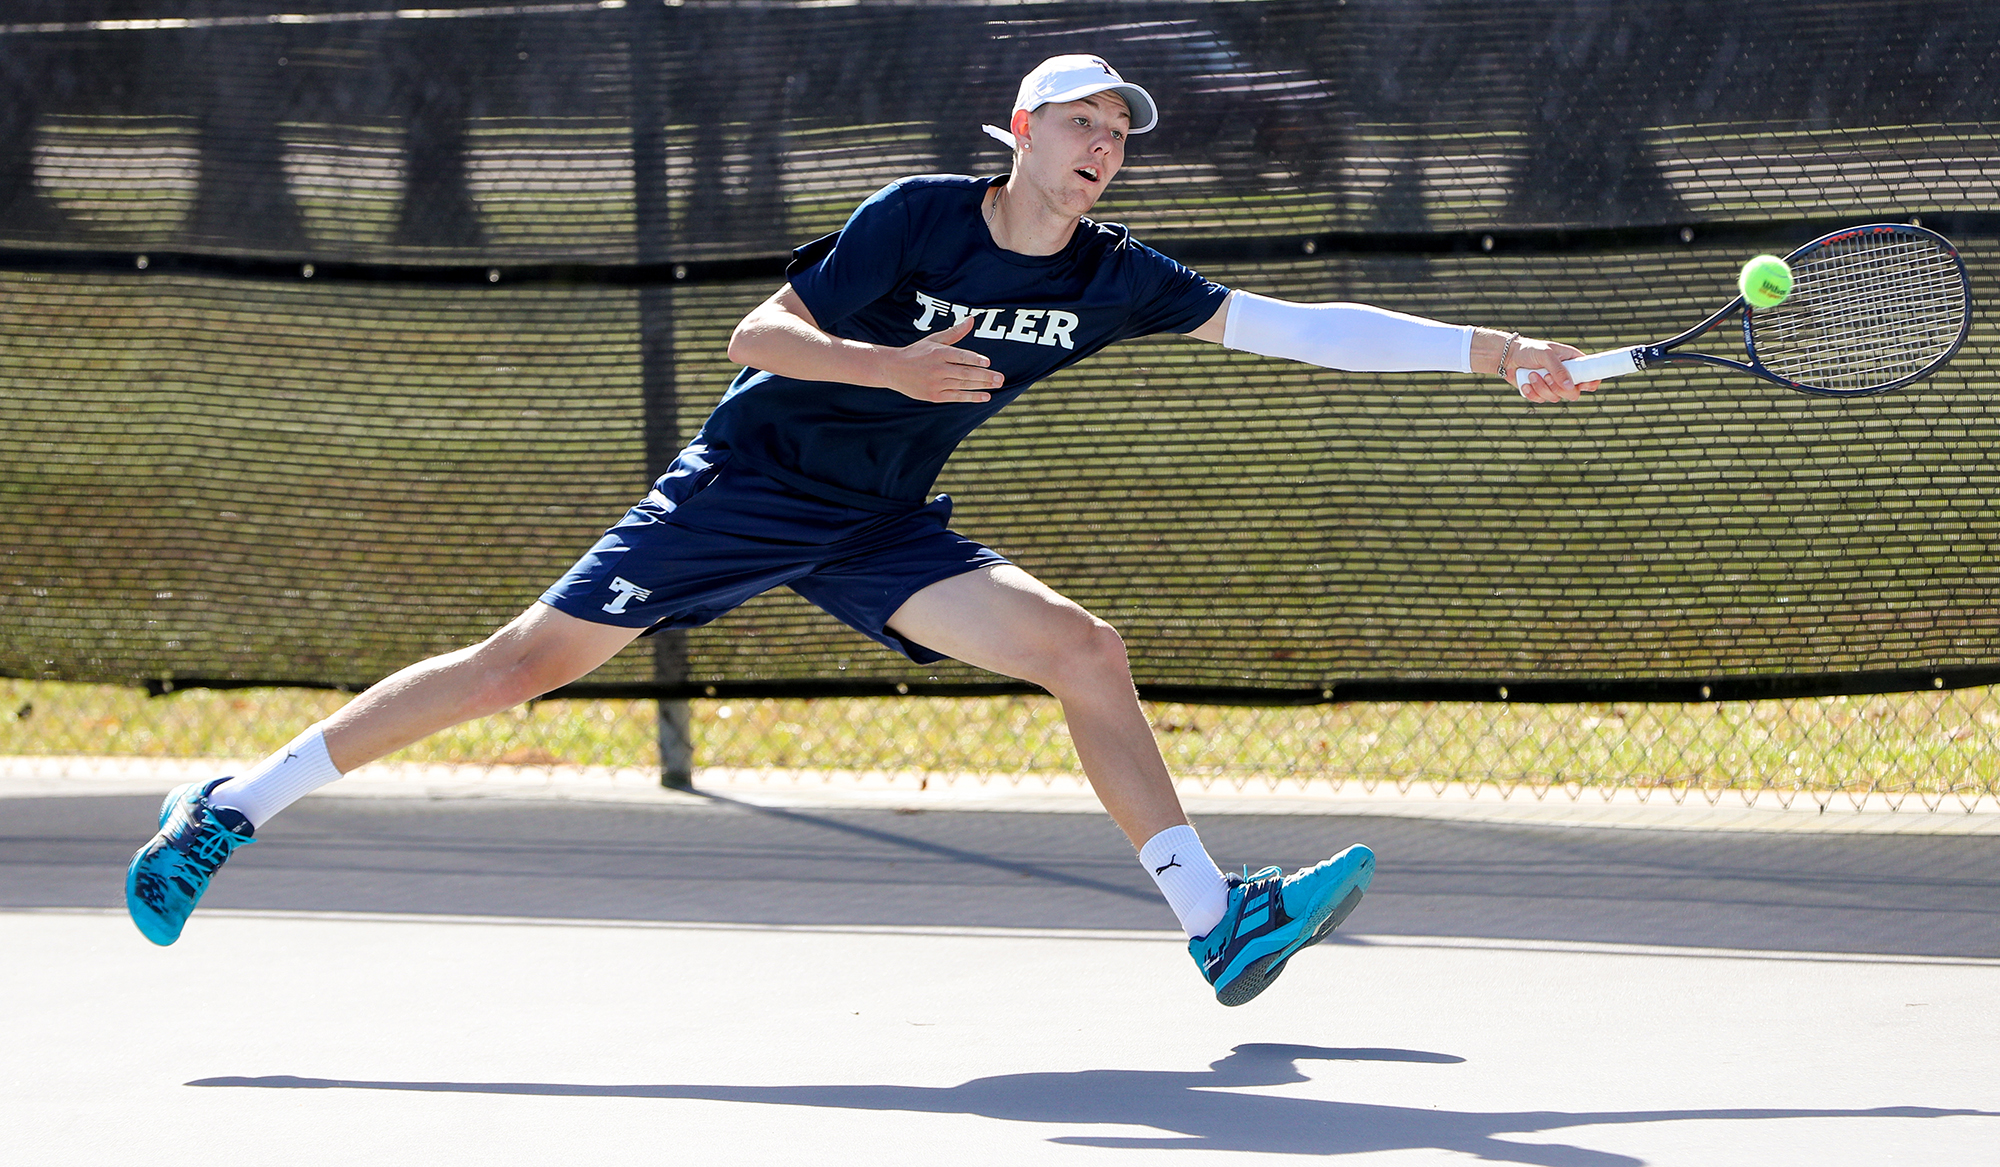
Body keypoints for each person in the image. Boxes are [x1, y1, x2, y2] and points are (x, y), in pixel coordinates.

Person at [125, 55, 1599, 1006]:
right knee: (526, 666)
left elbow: (1296, 326)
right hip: (747, 487)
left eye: (1118, 140)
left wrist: (1499, 348)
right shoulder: (913, 216)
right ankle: (226, 812)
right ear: (1020, 132)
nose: (1103, 153)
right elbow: (756, 336)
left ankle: (1216, 923)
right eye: (1081, 127)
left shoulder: (1113, 274)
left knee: (1085, 651)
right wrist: (890, 365)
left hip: (880, 525)